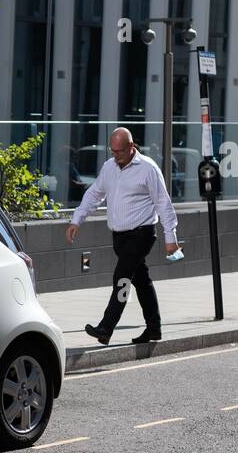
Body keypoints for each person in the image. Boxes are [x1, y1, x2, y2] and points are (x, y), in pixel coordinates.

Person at [66, 127, 180, 345]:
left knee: (122, 278)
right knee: (142, 282)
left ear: (131, 147)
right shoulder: (109, 167)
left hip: (142, 233)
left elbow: (163, 203)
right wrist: (76, 220)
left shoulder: (148, 168)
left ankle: (106, 327)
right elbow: (94, 194)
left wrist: (170, 238)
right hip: (119, 237)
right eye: (113, 151)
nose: (116, 155)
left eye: (120, 151)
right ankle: (154, 329)